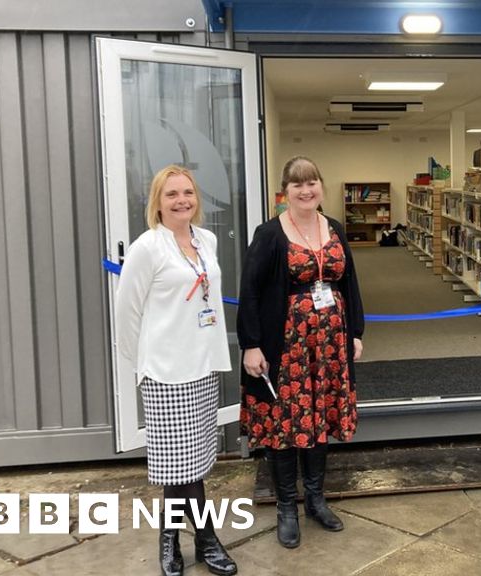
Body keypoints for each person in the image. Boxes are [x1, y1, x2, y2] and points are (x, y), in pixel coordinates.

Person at [114, 165, 238, 576]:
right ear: (158, 202)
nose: (181, 200)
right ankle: (194, 540)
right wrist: (141, 365)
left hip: (202, 365)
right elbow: (127, 311)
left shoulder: (207, 240)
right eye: (171, 195)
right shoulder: (147, 247)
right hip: (166, 371)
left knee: (193, 462)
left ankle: (186, 540)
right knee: (179, 465)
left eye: (187, 192)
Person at [237, 156, 365, 548]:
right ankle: (286, 508)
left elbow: (349, 285)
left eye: (312, 183)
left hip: (329, 346)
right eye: (297, 185)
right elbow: (252, 291)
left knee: (320, 418)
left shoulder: (336, 228)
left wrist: (355, 333)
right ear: (285, 192)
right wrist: (251, 344)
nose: (306, 190)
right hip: (287, 347)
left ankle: (315, 499)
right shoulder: (271, 234)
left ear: (321, 186)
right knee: (285, 426)